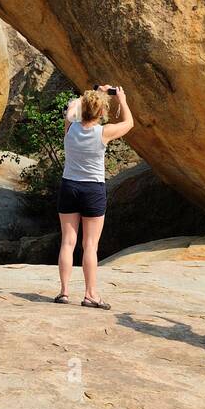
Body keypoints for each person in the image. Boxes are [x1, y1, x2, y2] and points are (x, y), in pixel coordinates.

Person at [54, 84, 134, 310]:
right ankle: (90, 294)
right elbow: (129, 124)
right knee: (90, 245)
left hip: (69, 186)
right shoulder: (103, 132)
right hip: (93, 190)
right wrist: (121, 99)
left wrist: (93, 92)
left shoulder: (70, 127)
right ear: (100, 112)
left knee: (68, 242)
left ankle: (64, 292)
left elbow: (72, 106)